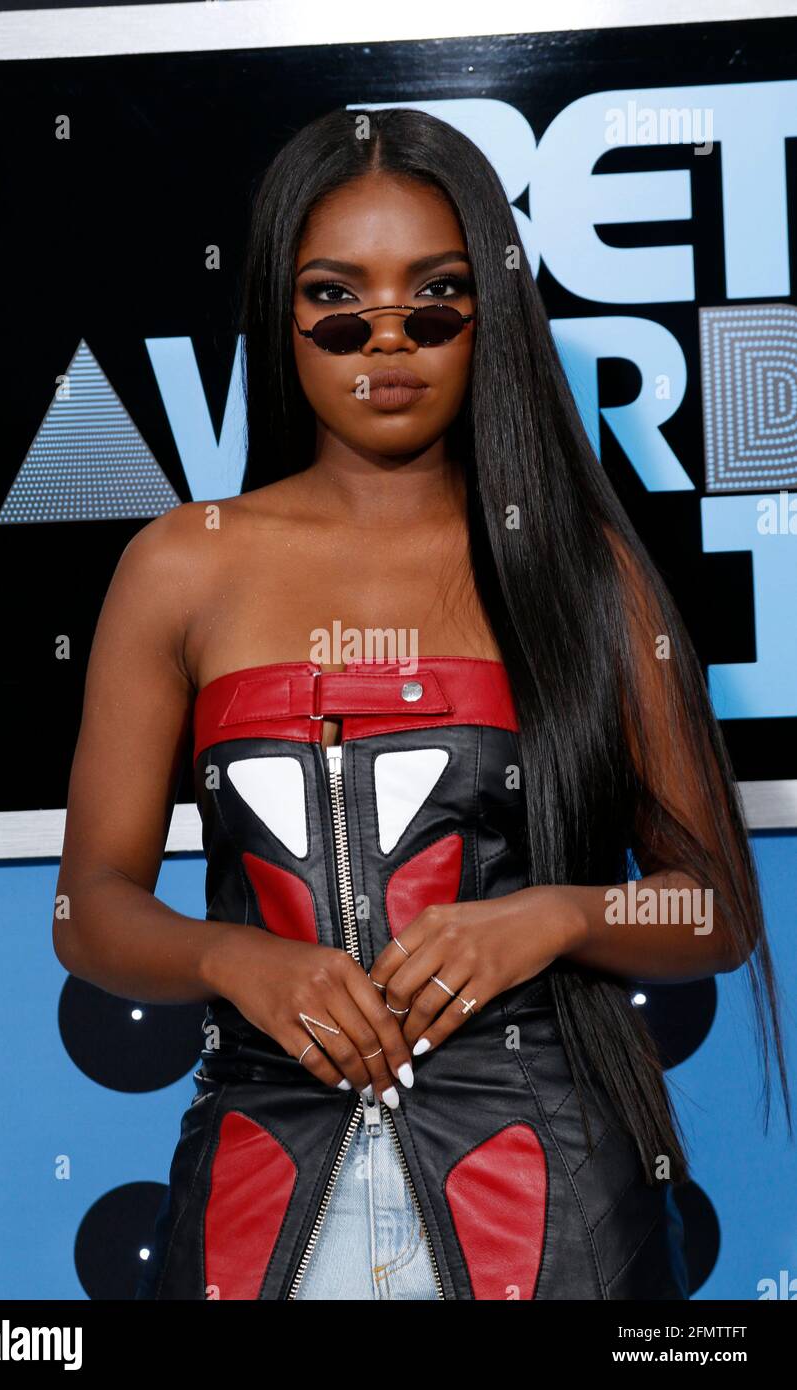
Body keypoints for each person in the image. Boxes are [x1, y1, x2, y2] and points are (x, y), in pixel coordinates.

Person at [53, 106, 790, 1301]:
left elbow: (712, 910)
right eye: (336, 299)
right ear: (281, 317)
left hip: (554, 1214)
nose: (384, 338)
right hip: (255, 1204)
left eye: (434, 296)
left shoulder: (580, 570)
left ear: (488, 314)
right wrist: (236, 957)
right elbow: (87, 911)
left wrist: (550, 914)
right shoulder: (179, 566)